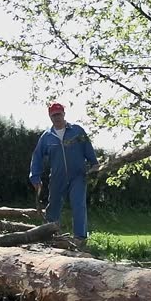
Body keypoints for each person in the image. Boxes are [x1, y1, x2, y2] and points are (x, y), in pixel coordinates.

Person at [29, 103, 99, 241]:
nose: (57, 118)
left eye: (59, 114)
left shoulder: (77, 131)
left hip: (78, 175)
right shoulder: (47, 137)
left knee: (78, 205)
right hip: (57, 177)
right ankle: (49, 235)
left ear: (64, 114)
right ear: (50, 116)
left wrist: (94, 164)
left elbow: (87, 148)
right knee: (53, 206)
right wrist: (35, 177)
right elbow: (37, 157)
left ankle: (80, 238)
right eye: (54, 115)